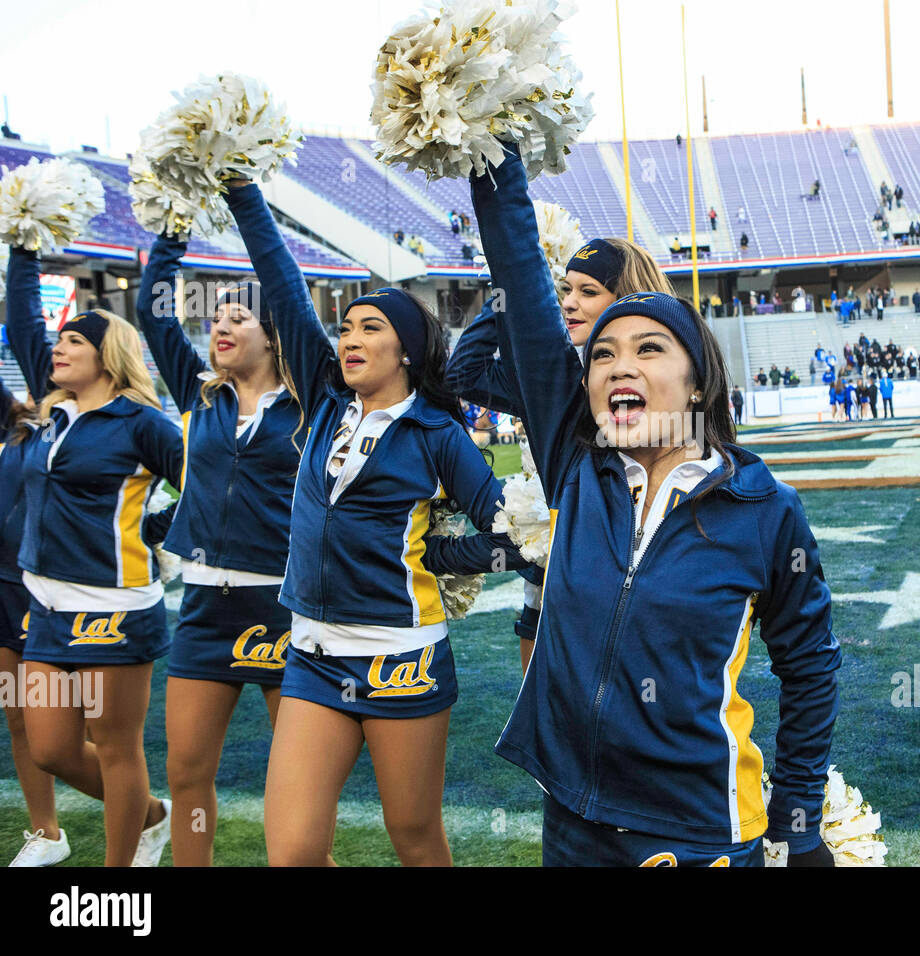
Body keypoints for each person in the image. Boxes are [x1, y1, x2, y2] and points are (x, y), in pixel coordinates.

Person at [470, 140, 840, 867]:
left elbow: (811, 669)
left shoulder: (764, 510)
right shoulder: (574, 465)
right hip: (572, 817)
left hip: (695, 828)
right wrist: (491, 145)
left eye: (648, 349)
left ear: (698, 382)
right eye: (603, 355)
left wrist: (799, 825)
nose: (619, 366)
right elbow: (515, 261)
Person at [248, 179, 527, 866]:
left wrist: (443, 557)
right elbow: (281, 285)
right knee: (291, 853)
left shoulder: (438, 433)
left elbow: (516, 537)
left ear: (405, 349)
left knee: (415, 837)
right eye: (344, 327)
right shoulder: (321, 399)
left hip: (402, 656)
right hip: (313, 652)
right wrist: (242, 189)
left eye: (370, 327)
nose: (349, 337)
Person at [135, 184, 309, 866]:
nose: (221, 327)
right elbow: (155, 314)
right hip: (205, 605)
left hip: (281, 605)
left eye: (239, 317)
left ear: (274, 334)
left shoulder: (309, 406)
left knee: (295, 784)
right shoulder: (198, 397)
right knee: (185, 773)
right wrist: (174, 230)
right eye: (217, 319)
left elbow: (288, 292)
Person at [5, 249, 181, 867]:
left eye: (74, 341)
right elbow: (23, 323)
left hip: (114, 607)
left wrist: (151, 531)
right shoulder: (53, 415)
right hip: (47, 606)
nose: (59, 349)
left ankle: (119, 877)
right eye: (59, 341)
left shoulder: (141, 423)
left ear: (106, 355)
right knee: (51, 746)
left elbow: (209, 492)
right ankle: (152, 815)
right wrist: (24, 249)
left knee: (114, 747)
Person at [447, 236, 674, 669]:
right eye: (564, 289)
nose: (569, 303)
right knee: (544, 718)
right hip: (548, 576)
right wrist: (507, 289)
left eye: (588, 292)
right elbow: (464, 374)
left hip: (631, 577)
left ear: (625, 299)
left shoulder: (663, 382)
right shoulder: (548, 376)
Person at [0, 382, 64, 865]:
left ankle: (143, 811)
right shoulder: (21, 425)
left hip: (55, 585)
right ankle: (46, 832)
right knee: (18, 715)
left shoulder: (43, 427)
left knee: (73, 726)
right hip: (3, 585)